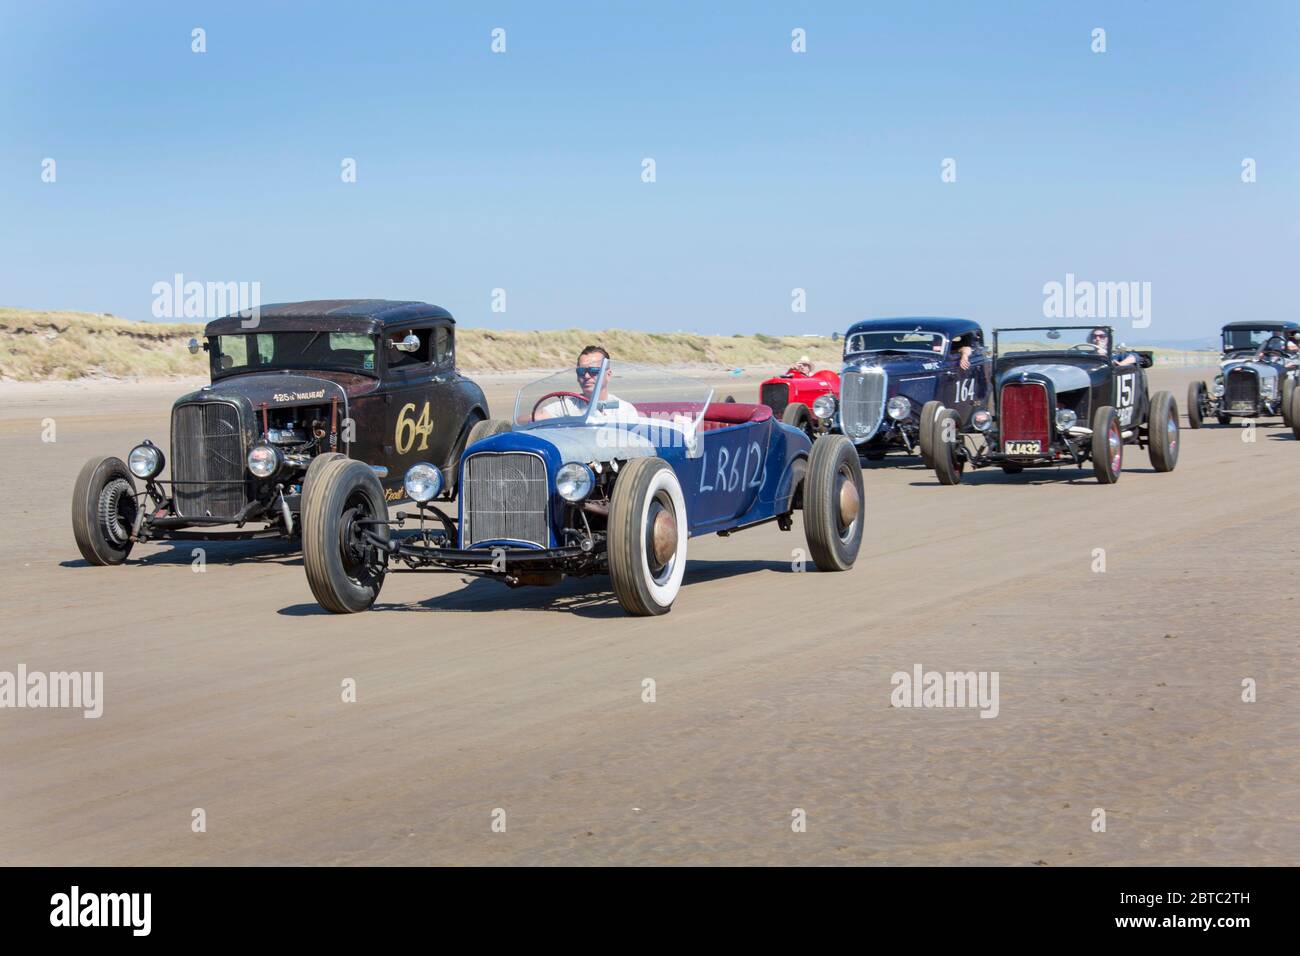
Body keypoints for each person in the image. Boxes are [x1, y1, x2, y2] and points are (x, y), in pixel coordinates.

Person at [537, 346, 640, 422]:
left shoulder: (623, 409)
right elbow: (526, 419)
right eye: (581, 371)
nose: (586, 376)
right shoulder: (566, 406)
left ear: (608, 375)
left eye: (593, 371)